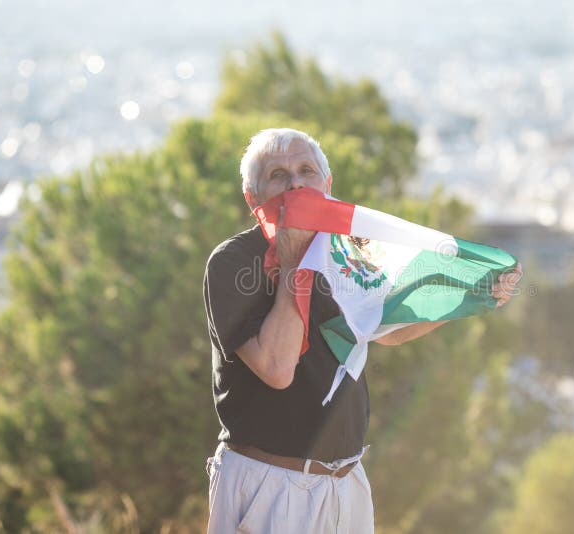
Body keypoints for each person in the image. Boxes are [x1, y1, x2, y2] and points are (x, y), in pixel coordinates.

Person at [202, 128, 521, 533]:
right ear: (253, 197)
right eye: (278, 175)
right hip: (271, 482)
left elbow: (388, 330)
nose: (296, 183)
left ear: (327, 184)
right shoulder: (231, 262)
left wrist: (471, 294)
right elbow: (277, 368)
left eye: (306, 170)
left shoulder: (346, 251)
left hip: (346, 483)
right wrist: (293, 265)